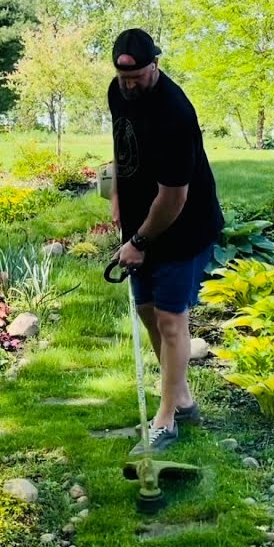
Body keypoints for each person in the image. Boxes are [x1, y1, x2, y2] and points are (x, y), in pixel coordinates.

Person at [107, 27, 223, 456]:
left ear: (155, 64)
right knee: (147, 311)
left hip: (182, 225)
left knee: (173, 321)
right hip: (142, 220)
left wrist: (138, 240)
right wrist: (118, 195)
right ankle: (183, 398)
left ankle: (167, 419)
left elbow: (175, 197)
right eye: (124, 78)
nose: (130, 84)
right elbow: (121, 147)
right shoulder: (118, 92)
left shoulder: (175, 111)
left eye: (137, 76)